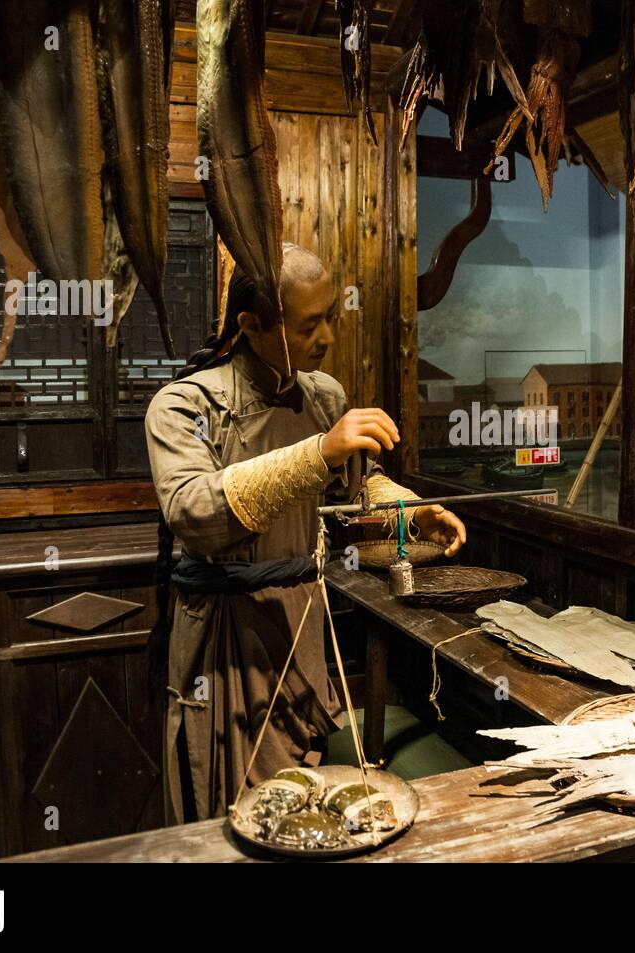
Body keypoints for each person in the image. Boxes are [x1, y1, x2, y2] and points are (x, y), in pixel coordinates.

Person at [144, 243, 466, 823]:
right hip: (225, 635)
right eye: (310, 324)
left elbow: (357, 486)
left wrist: (412, 513)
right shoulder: (184, 405)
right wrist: (319, 451)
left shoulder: (323, 396)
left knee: (305, 797)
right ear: (251, 325)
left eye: (331, 318)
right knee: (231, 801)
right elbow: (192, 511)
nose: (328, 339)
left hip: (300, 625)